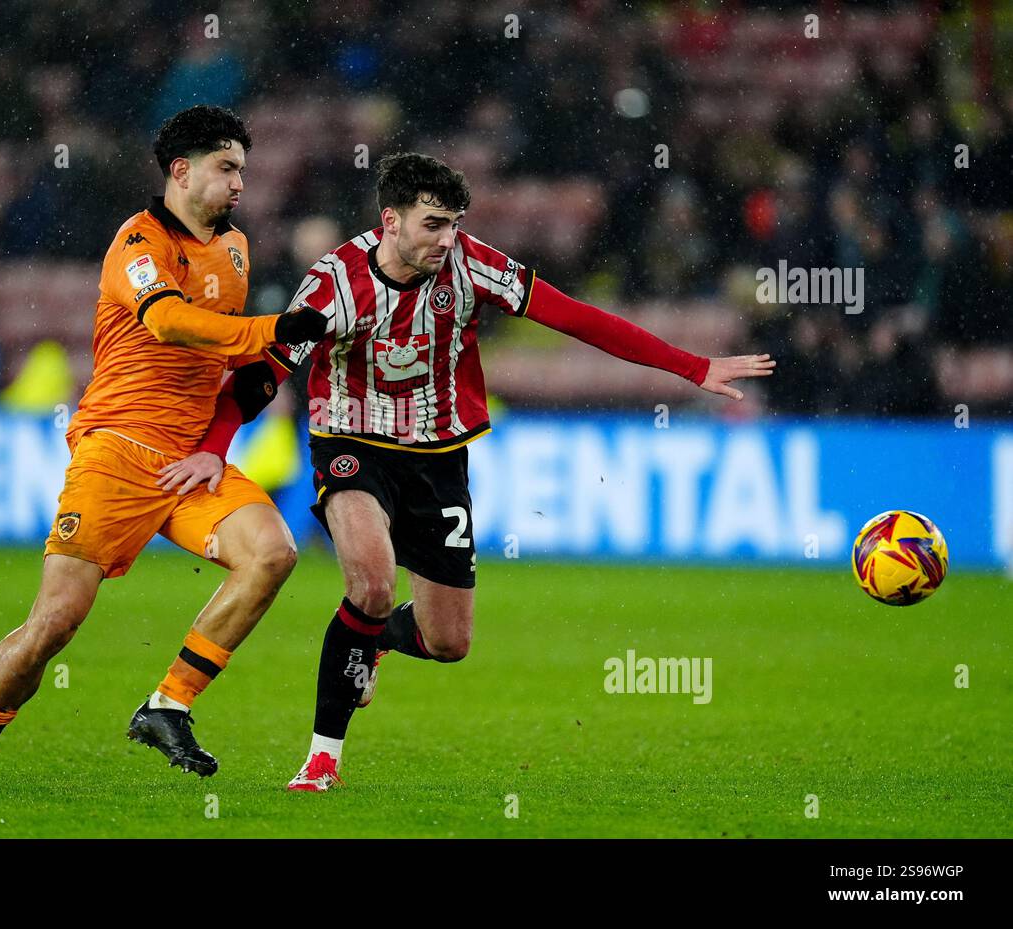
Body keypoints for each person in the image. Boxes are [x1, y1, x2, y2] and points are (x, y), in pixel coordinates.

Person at [197, 152, 775, 791]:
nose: (446, 239)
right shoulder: (334, 283)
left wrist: (691, 368)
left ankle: (377, 639)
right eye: (432, 224)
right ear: (391, 221)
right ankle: (322, 758)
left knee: (448, 642)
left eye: (453, 225)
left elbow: (576, 317)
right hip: (352, 442)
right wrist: (213, 447)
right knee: (372, 581)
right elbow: (263, 375)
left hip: (440, 457)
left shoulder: (474, 266)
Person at [0, 105, 328, 793]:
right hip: (116, 451)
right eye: (226, 168)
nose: (240, 183)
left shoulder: (235, 247)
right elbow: (170, 322)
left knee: (272, 552)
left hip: (186, 464)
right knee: (53, 623)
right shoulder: (135, 244)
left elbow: (226, 360)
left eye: (244, 169)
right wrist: (275, 328)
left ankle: (168, 703)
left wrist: (218, 438)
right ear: (181, 171)